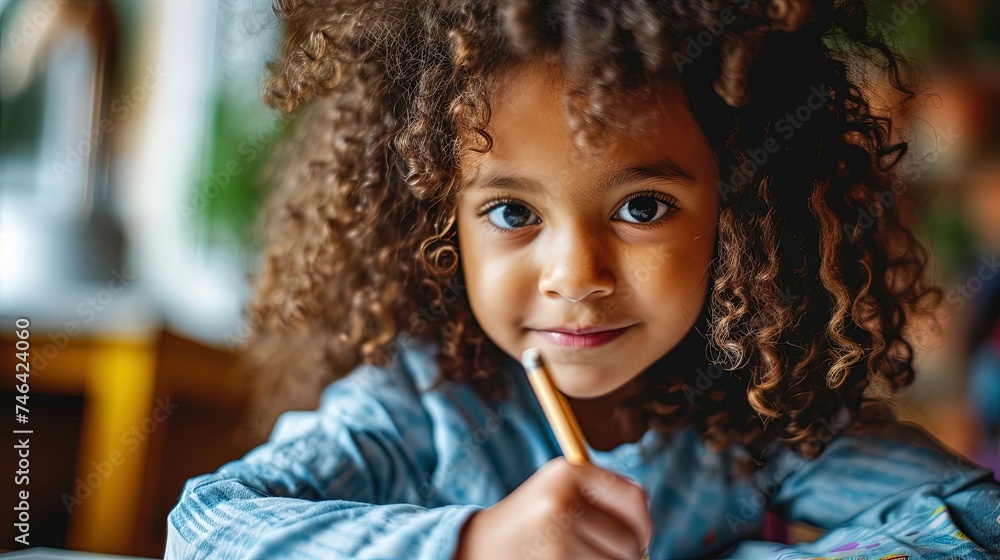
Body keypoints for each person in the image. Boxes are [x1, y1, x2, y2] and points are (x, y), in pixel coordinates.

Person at [166, 0, 1000, 558]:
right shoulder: (420, 409)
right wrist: (476, 543)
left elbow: (976, 518)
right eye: (512, 214)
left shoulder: (754, 428)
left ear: (745, 215)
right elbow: (204, 531)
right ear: (438, 225)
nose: (576, 276)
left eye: (642, 207)